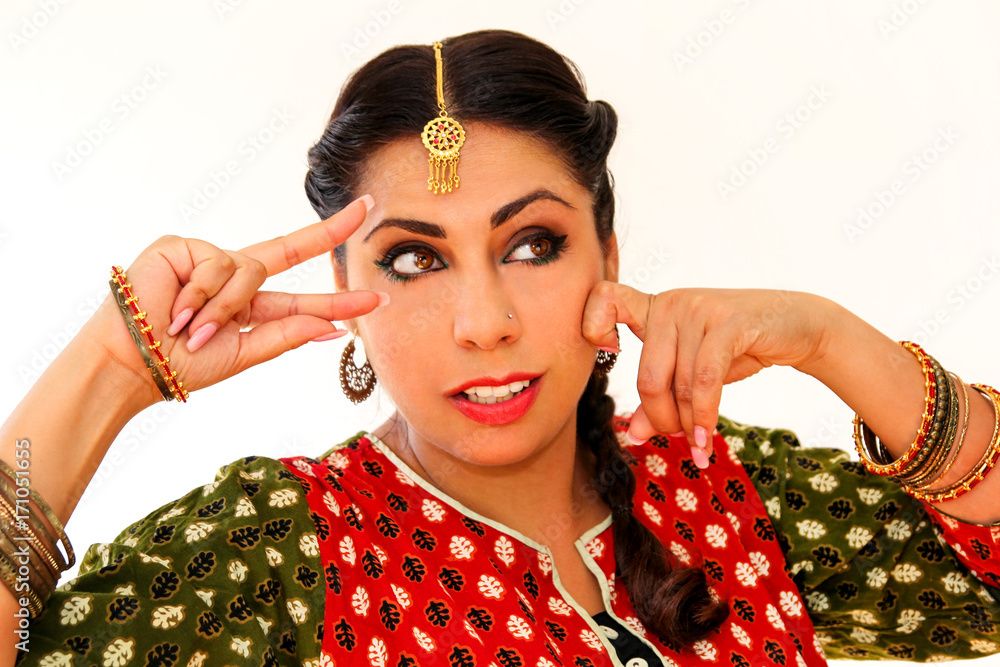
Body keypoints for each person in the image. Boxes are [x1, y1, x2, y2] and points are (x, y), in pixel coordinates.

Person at [3, 28, 1000, 667]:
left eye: (532, 245)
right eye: (410, 260)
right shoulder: (282, 546)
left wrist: (832, 338)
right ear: (346, 291)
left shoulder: (725, 496)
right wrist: (111, 372)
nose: (484, 320)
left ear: (605, 256)